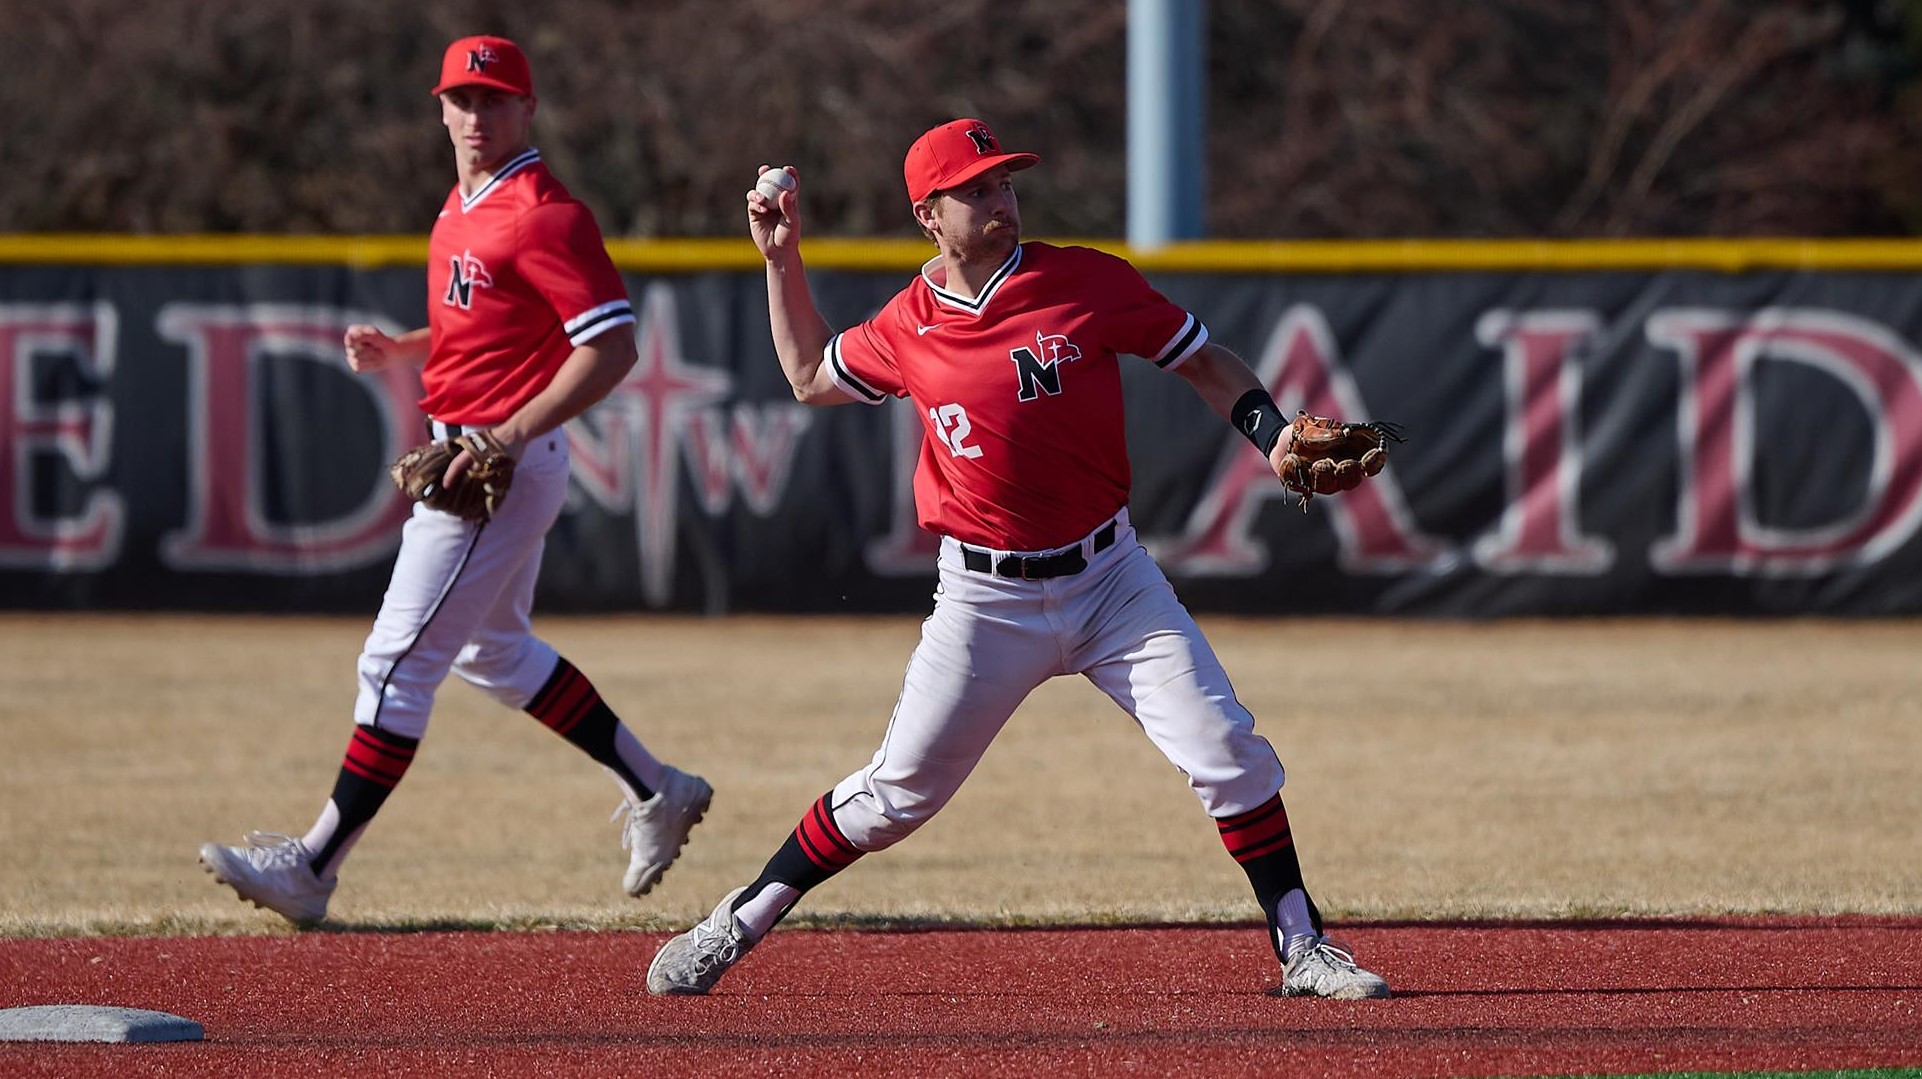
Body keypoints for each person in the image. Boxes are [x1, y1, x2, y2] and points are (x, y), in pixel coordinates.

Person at [646, 119, 1388, 999]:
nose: (1001, 203)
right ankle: (738, 918)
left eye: (1005, 185)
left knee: (1227, 748)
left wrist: (1268, 433)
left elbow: (1201, 359)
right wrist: (781, 258)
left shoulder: (1083, 281)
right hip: (984, 600)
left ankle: (1302, 945)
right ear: (929, 215)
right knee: (896, 795)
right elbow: (809, 373)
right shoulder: (907, 324)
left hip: (1112, 581)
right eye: (977, 191)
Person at [199, 35, 711, 926]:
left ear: (528, 110)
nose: (476, 117)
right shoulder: (463, 203)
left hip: (492, 467)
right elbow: (489, 327)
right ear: (439, 109)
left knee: (393, 664)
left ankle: (313, 865)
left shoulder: (544, 213)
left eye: (494, 100)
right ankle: (657, 786)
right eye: (461, 101)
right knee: (493, 650)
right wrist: (406, 348)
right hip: (481, 451)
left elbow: (612, 345)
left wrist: (510, 433)